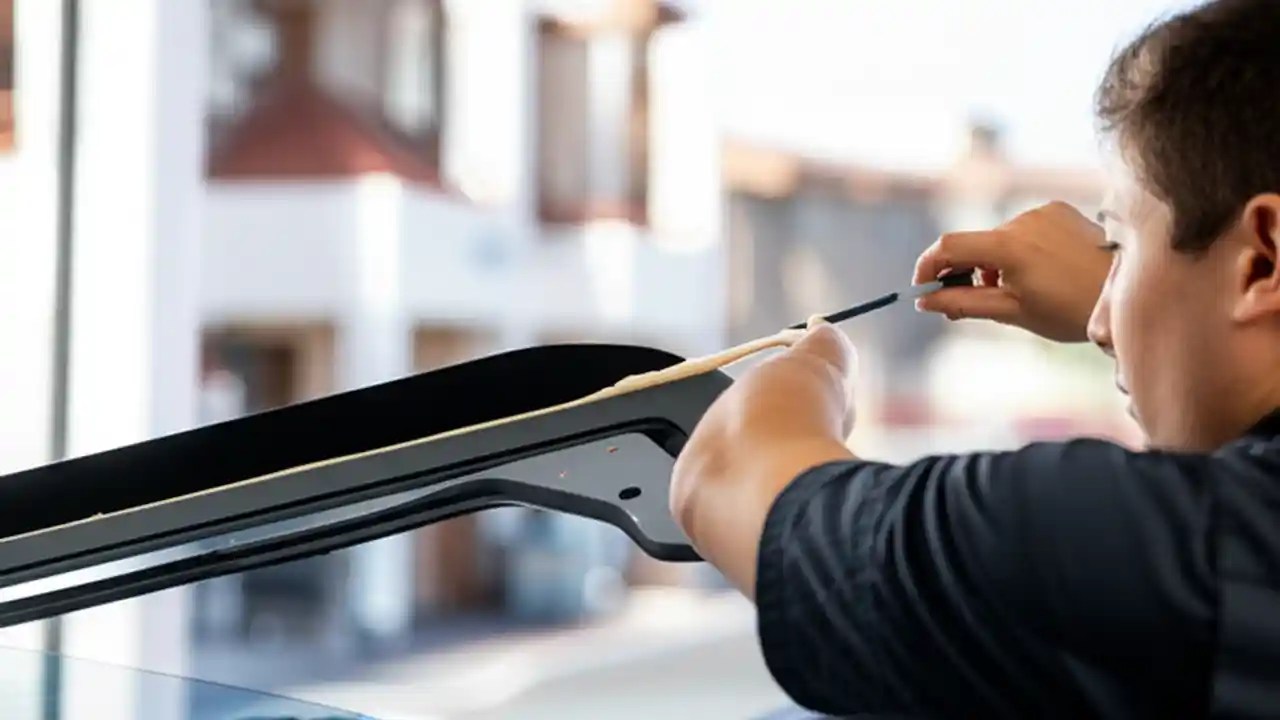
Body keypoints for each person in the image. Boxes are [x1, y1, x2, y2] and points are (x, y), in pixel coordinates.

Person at [668, 1, 1280, 718]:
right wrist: (1156, 297)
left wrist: (817, 366)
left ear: (1263, 259)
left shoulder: (1181, 545)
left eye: (1117, 245)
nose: (1099, 323)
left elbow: (726, 473)